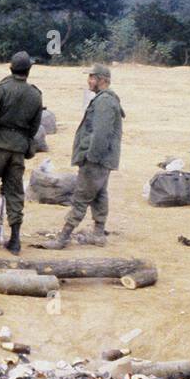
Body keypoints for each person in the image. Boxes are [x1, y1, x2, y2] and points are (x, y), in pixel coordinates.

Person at [44, 64, 123, 249]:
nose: (89, 81)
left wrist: (91, 157)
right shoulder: (106, 99)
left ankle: (63, 237)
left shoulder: (104, 101)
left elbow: (101, 133)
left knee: (81, 196)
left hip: (96, 160)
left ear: (102, 80)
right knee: (99, 194)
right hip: (104, 159)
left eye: (92, 77)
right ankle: (98, 233)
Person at [0, 50, 42, 254]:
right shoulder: (35, 94)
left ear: (11, 68)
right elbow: (35, 126)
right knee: (15, 193)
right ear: (28, 70)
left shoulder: (0, 89)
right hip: (18, 149)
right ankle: (14, 240)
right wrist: (25, 145)